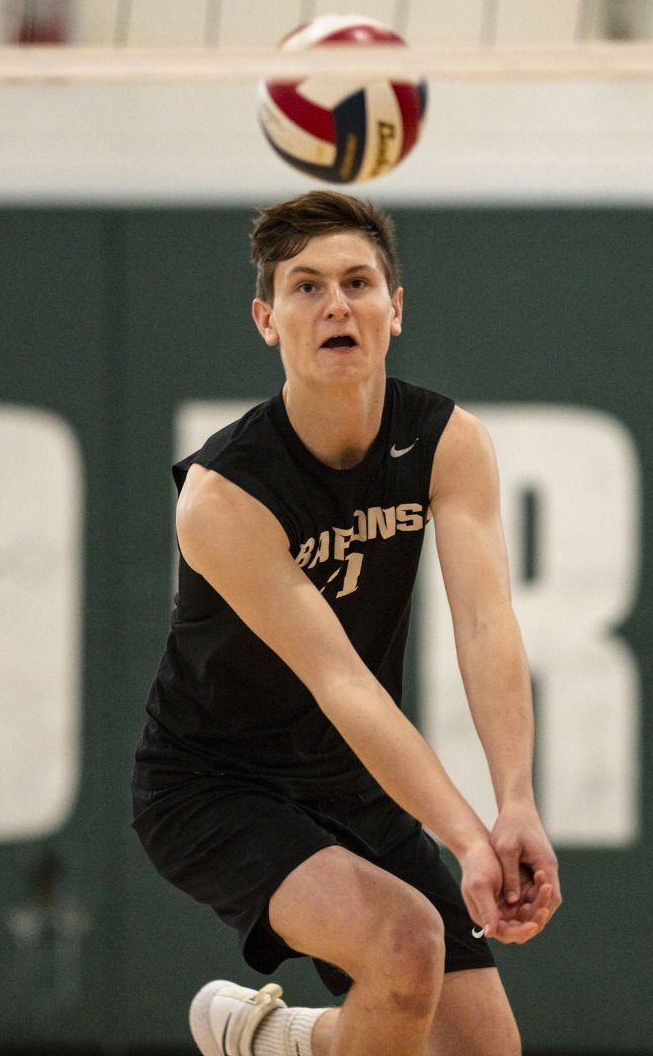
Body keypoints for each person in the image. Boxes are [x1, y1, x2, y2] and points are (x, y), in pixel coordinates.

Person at [131, 190, 561, 1056]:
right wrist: (463, 836)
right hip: (214, 784)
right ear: (266, 319)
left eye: (359, 281)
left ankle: (282, 1041)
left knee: (485, 1051)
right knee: (405, 943)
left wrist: (514, 801)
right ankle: (289, 1042)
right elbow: (339, 682)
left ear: (394, 309)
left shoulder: (446, 440)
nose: (336, 303)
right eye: (306, 286)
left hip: (348, 779)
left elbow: (485, 625)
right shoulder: (224, 494)